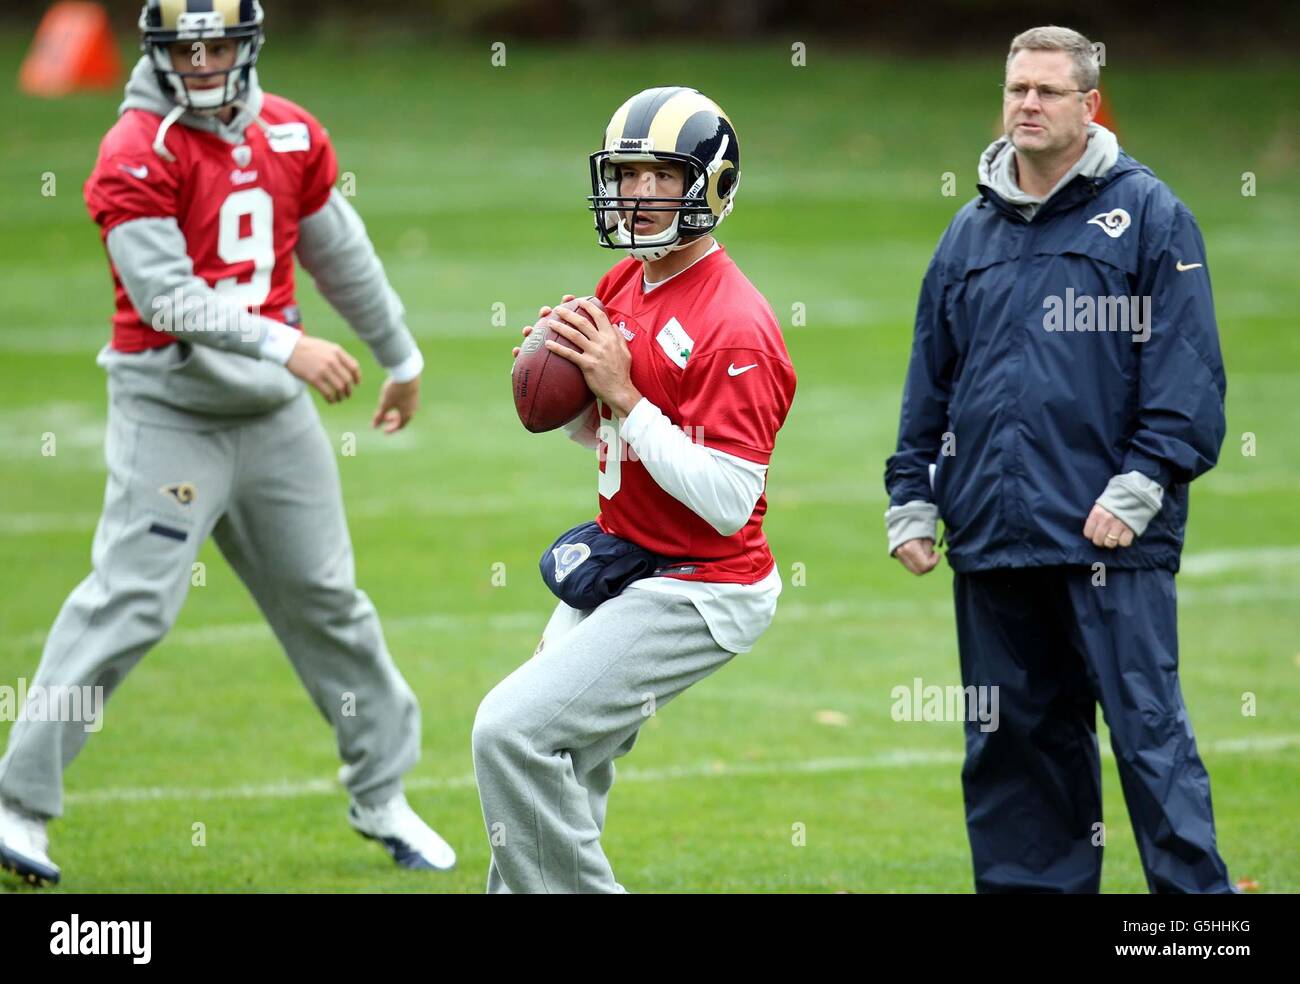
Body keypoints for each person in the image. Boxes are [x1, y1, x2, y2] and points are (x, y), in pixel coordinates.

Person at [0, 0, 455, 886]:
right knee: (130, 605)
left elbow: (339, 250)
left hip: (273, 419)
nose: (204, 60)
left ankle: (382, 792)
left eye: (219, 43)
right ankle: (18, 802)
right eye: (186, 46)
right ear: (157, 53)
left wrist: (398, 351)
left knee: (331, 604)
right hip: (173, 414)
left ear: (248, 47)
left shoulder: (290, 133)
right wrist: (290, 343)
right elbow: (165, 297)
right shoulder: (136, 147)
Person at [885, 26, 1232, 893]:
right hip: (996, 540)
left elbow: (1188, 369)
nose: (1027, 105)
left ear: (1087, 104)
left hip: (1110, 538)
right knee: (1012, 755)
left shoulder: (1150, 214)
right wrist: (912, 496)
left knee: (1149, 744)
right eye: (1015, 91)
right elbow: (931, 378)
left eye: (1046, 91)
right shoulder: (967, 232)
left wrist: (1145, 481)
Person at [472, 86, 797, 893]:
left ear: (711, 186)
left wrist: (623, 395)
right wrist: (571, 390)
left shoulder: (738, 322)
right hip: (628, 559)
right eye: (626, 175)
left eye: (660, 176)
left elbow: (725, 502)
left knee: (510, 734)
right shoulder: (625, 281)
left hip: (699, 581)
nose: (637, 195)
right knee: (561, 768)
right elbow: (620, 439)